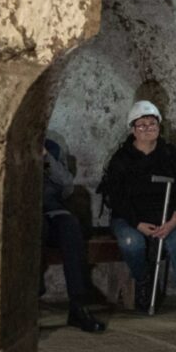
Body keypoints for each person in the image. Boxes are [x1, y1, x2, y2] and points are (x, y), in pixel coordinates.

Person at [97, 100, 176, 317]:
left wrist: (174, 220)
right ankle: (143, 281)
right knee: (131, 242)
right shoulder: (121, 159)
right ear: (133, 129)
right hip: (130, 218)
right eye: (141, 125)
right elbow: (117, 197)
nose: (147, 129)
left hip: (164, 217)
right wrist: (137, 224)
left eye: (152, 124)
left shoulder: (170, 154)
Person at [43, 139, 106, 334]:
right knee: (35, 229)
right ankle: (27, 304)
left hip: (53, 210)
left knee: (71, 226)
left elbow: (67, 185)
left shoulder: (53, 147)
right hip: (26, 214)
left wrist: (46, 158)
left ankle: (78, 307)